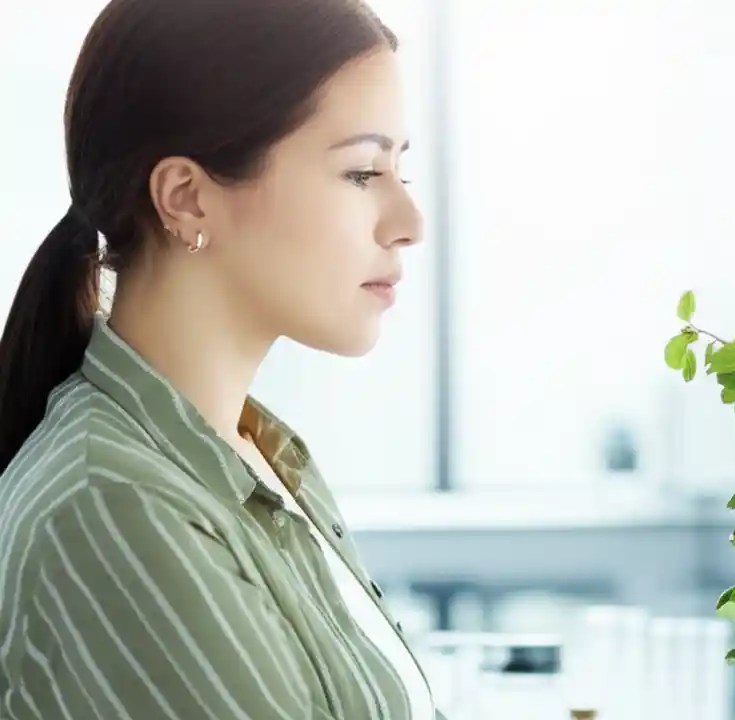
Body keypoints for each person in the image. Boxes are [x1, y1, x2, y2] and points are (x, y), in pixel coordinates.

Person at [0, 0, 442, 717]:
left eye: (401, 172)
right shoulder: (119, 509)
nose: (409, 224)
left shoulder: (255, 455)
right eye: (362, 172)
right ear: (187, 199)